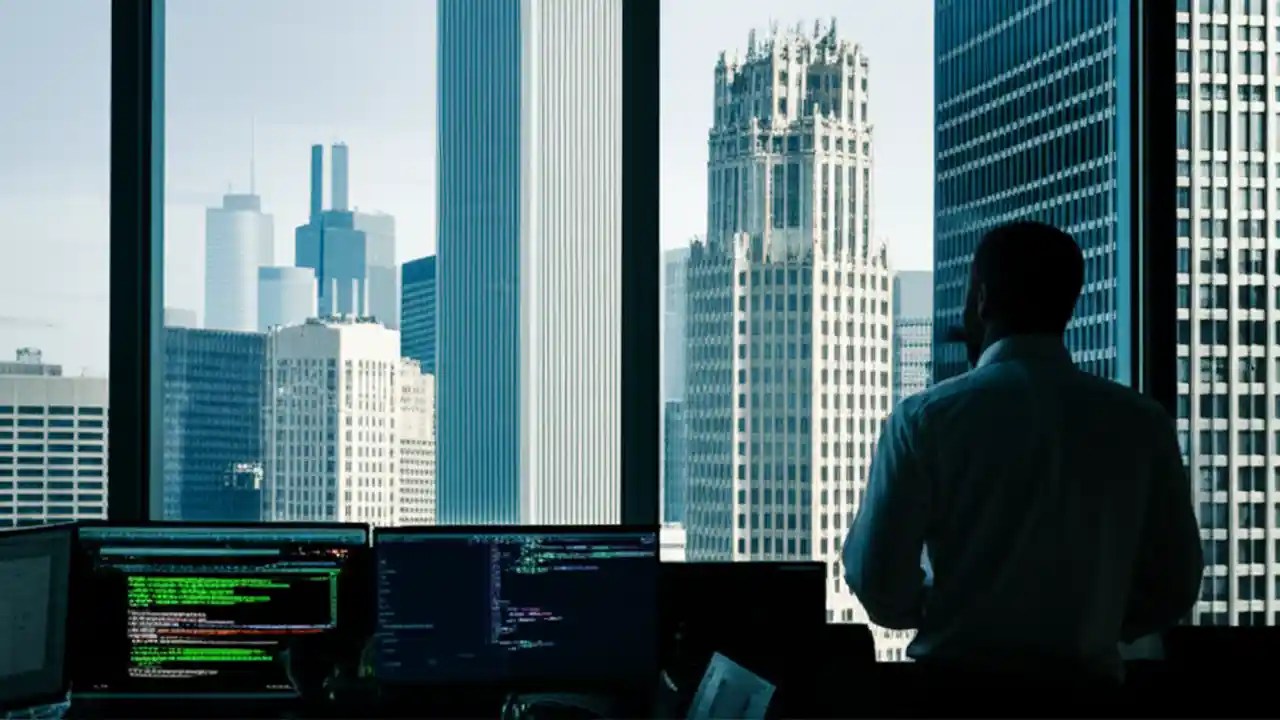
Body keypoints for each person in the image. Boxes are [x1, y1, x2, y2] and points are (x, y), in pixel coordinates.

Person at [842, 222, 1203, 707]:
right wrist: (1091, 617)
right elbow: (1176, 583)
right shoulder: (1142, 423)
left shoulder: (924, 420)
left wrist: (949, 607)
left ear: (983, 300)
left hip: (955, 696)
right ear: (1070, 304)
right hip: (1089, 698)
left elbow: (876, 581)